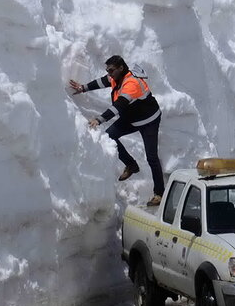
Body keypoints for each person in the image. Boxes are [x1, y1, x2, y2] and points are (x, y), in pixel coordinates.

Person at [69, 55, 164, 206]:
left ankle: (159, 193)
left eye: (111, 70)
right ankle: (131, 165)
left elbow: (118, 106)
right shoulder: (116, 77)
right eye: (107, 70)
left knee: (152, 158)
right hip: (132, 117)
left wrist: (99, 119)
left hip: (149, 121)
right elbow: (103, 81)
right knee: (110, 136)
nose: (109, 73)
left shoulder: (131, 83)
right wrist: (83, 88)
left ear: (121, 68)